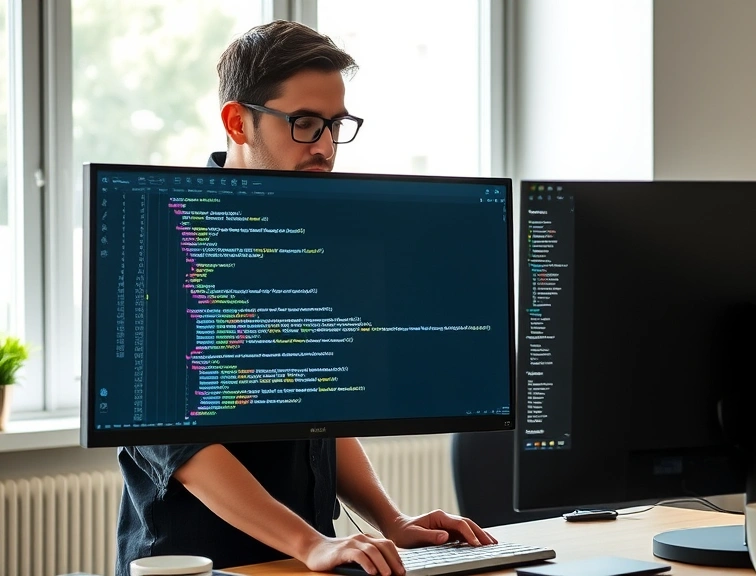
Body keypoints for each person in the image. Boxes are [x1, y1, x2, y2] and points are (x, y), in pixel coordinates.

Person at [116, 20, 495, 576]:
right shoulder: (159, 238)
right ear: (237, 121)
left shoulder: (308, 239)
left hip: (306, 559)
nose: (325, 148)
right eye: (305, 124)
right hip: (200, 565)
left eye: (336, 127)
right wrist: (311, 542)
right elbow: (183, 447)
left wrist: (390, 521)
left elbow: (321, 415)